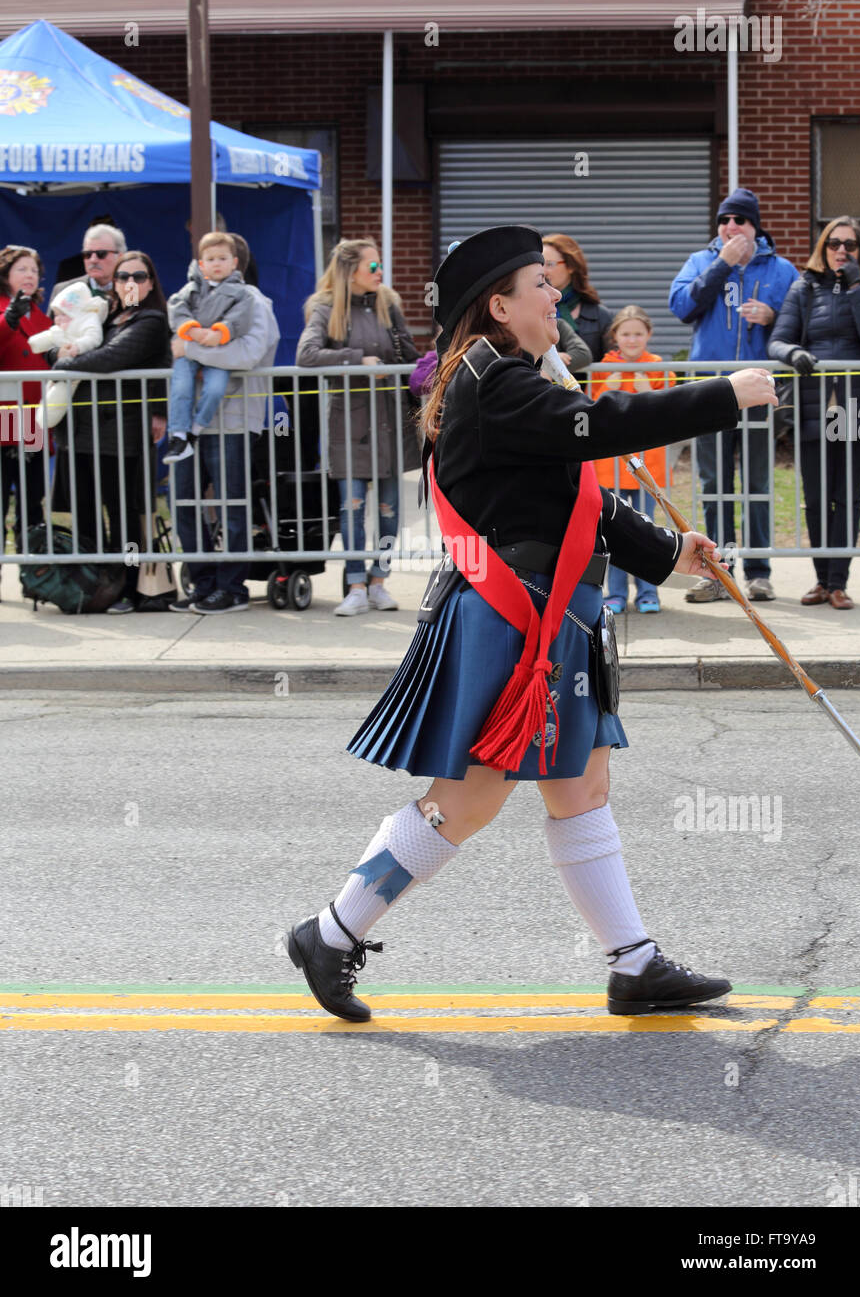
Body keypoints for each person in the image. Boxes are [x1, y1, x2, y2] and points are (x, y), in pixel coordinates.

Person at [280, 225, 779, 1023]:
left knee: (580, 784)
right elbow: (603, 430)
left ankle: (633, 963)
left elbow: (573, 500)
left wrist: (664, 551)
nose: (557, 295)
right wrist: (725, 396)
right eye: (540, 285)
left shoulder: (515, 375)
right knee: (468, 800)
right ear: (500, 305)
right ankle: (332, 933)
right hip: (514, 619)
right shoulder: (492, 380)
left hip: (553, 616)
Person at [669, 187, 799, 602]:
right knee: (714, 483)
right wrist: (721, 266)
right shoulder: (701, 261)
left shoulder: (781, 270)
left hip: (760, 389)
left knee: (756, 482)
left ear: (754, 226)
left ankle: (759, 572)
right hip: (712, 391)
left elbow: (802, 325)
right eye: (724, 220)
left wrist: (773, 317)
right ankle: (718, 573)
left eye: (739, 220)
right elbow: (681, 307)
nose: (730, 227)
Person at [296, 237, 421, 616]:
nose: (379, 271)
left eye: (379, 264)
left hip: (389, 417)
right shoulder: (324, 306)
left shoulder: (389, 303)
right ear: (350, 271)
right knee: (351, 506)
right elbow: (306, 354)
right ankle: (354, 585)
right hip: (350, 421)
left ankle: (378, 581)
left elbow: (409, 353)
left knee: (388, 509)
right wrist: (355, 358)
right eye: (372, 265)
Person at [51, 251, 171, 614]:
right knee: (85, 516)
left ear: (150, 283)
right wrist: (64, 347)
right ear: (114, 283)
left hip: (123, 436)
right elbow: (70, 342)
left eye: (138, 276)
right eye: (122, 276)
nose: (130, 282)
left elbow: (109, 359)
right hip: (83, 432)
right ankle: (93, 585)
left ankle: (128, 586)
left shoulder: (150, 320)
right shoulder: (105, 317)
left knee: (123, 519)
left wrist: (65, 361)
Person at [167, 251, 281, 615]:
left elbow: (247, 354)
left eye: (222, 258)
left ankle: (232, 588)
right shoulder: (193, 297)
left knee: (233, 505)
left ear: (236, 263)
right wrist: (193, 345)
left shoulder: (253, 301)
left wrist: (192, 347)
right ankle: (203, 584)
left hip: (232, 419)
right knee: (181, 502)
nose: (212, 266)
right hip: (192, 424)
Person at [769, 216, 860, 610]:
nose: (841, 250)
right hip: (814, 406)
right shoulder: (803, 288)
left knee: (847, 498)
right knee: (816, 497)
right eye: (834, 243)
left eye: (851, 244)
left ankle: (839, 582)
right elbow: (778, 340)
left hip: (854, 407)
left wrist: (856, 287)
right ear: (823, 248)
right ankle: (821, 581)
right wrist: (794, 353)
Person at [590, 305, 672, 614]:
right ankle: (616, 593)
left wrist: (647, 390)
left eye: (638, 333)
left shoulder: (659, 367)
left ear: (649, 335)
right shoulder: (604, 367)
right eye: (626, 334)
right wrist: (604, 388)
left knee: (647, 530)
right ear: (616, 336)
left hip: (647, 466)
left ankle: (648, 592)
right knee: (614, 531)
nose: (632, 339)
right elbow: (590, 409)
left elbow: (670, 410)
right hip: (611, 467)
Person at [164, 233, 257, 463]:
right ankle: (178, 434)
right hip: (190, 346)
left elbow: (240, 319)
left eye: (222, 258)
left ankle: (194, 430)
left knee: (215, 389)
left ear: (234, 262)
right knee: (181, 388)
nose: (217, 263)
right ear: (202, 264)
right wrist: (192, 330)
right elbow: (176, 308)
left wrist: (220, 332)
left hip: (217, 351)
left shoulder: (243, 293)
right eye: (211, 259)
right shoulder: (191, 288)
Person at [0, 246, 52, 566]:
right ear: (6, 275)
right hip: (6, 413)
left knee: (33, 496)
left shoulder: (44, 315)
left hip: (34, 415)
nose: (30, 275)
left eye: (34, 270)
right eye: (22, 269)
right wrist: (9, 319)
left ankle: (33, 570)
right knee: (2, 495)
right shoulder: (4, 309)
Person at [28, 281, 110, 429]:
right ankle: (41, 420)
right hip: (60, 369)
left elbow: (94, 337)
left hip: (77, 372)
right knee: (49, 392)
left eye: (63, 315)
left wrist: (78, 347)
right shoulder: (60, 328)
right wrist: (49, 349)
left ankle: (45, 420)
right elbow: (49, 338)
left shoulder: (89, 319)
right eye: (56, 315)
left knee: (59, 396)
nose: (58, 319)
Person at [541, 232, 613, 374]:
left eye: (550, 264)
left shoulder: (600, 315)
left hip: (588, 394)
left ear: (571, 266)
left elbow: (615, 361)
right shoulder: (529, 310)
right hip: (544, 393)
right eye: (539, 264)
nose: (543, 271)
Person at [49, 222, 126, 307]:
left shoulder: (131, 291)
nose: (93, 260)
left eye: (101, 253)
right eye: (88, 254)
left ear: (120, 257)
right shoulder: (63, 290)